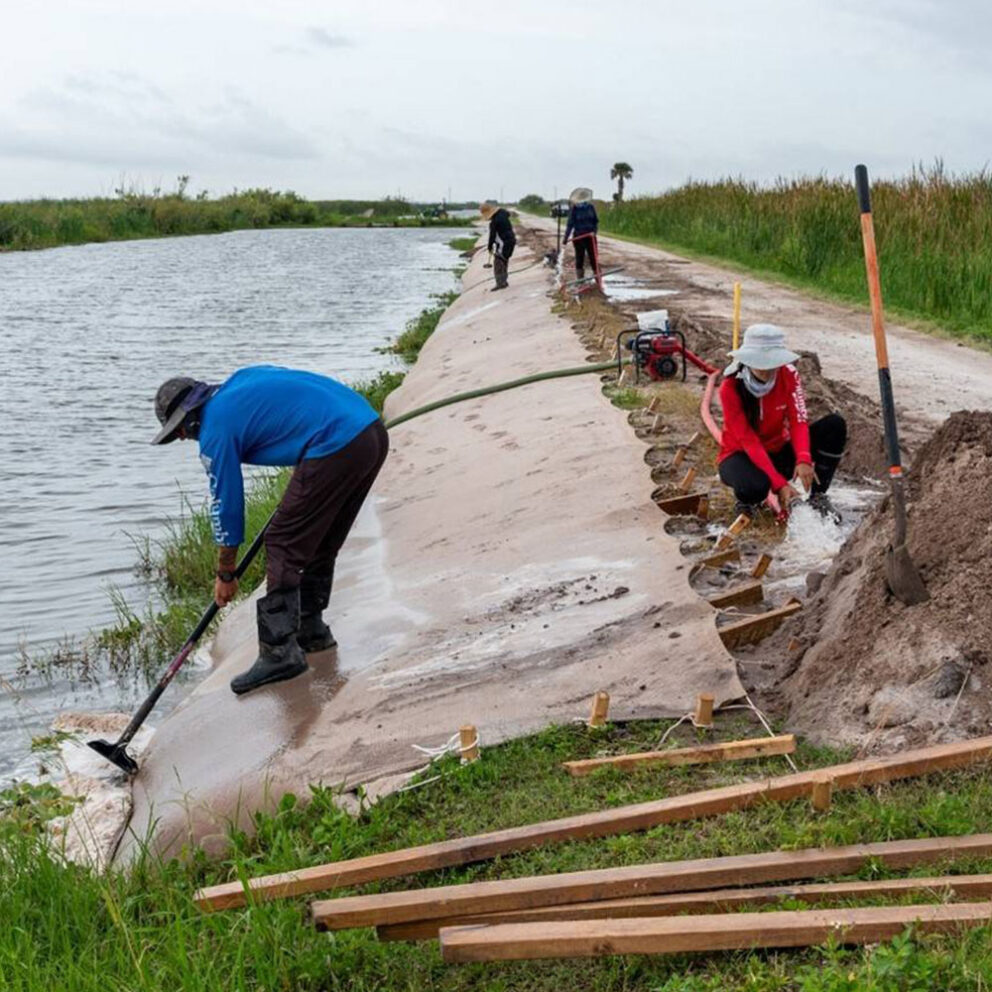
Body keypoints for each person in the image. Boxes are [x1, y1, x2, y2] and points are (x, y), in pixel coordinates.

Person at [151, 366, 388, 695]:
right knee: (320, 536)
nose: (182, 438)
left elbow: (227, 504)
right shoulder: (238, 385)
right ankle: (311, 629)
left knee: (282, 541)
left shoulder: (214, 430)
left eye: (179, 431)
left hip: (336, 443)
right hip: (370, 432)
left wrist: (225, 573)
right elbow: (293, 416)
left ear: (189, 418)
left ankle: (279, 652)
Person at [717, 324, 846, 519]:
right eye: (758, 361)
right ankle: (746, 501)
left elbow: (798, 421)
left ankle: (818, 497)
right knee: (755, 487)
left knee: (834, 425)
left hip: (777, 452)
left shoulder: (789, 375)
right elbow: (748, 440)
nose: (765, 368)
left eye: (770, 362)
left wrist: (803, 458)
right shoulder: (730, 387)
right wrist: (779, 485)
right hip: (742, 456)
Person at [563, 188, 599, 282]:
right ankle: (580, 280)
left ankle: (598, 279)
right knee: (580, 258)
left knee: (594, 258)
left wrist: (594, 232)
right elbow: (570, 225)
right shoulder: (574, 209)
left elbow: (595, 222)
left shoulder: (590, 207)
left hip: (590, 237)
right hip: (579, 237)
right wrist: (565, 238)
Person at [480, 202, 515, 290]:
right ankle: (504, 281)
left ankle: (500, 283)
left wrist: (489, 246)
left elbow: (492, 236)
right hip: (511, 240)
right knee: (504, 261)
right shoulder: (503, 214)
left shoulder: (494, 222)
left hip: (504, 243)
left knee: (498, 261)